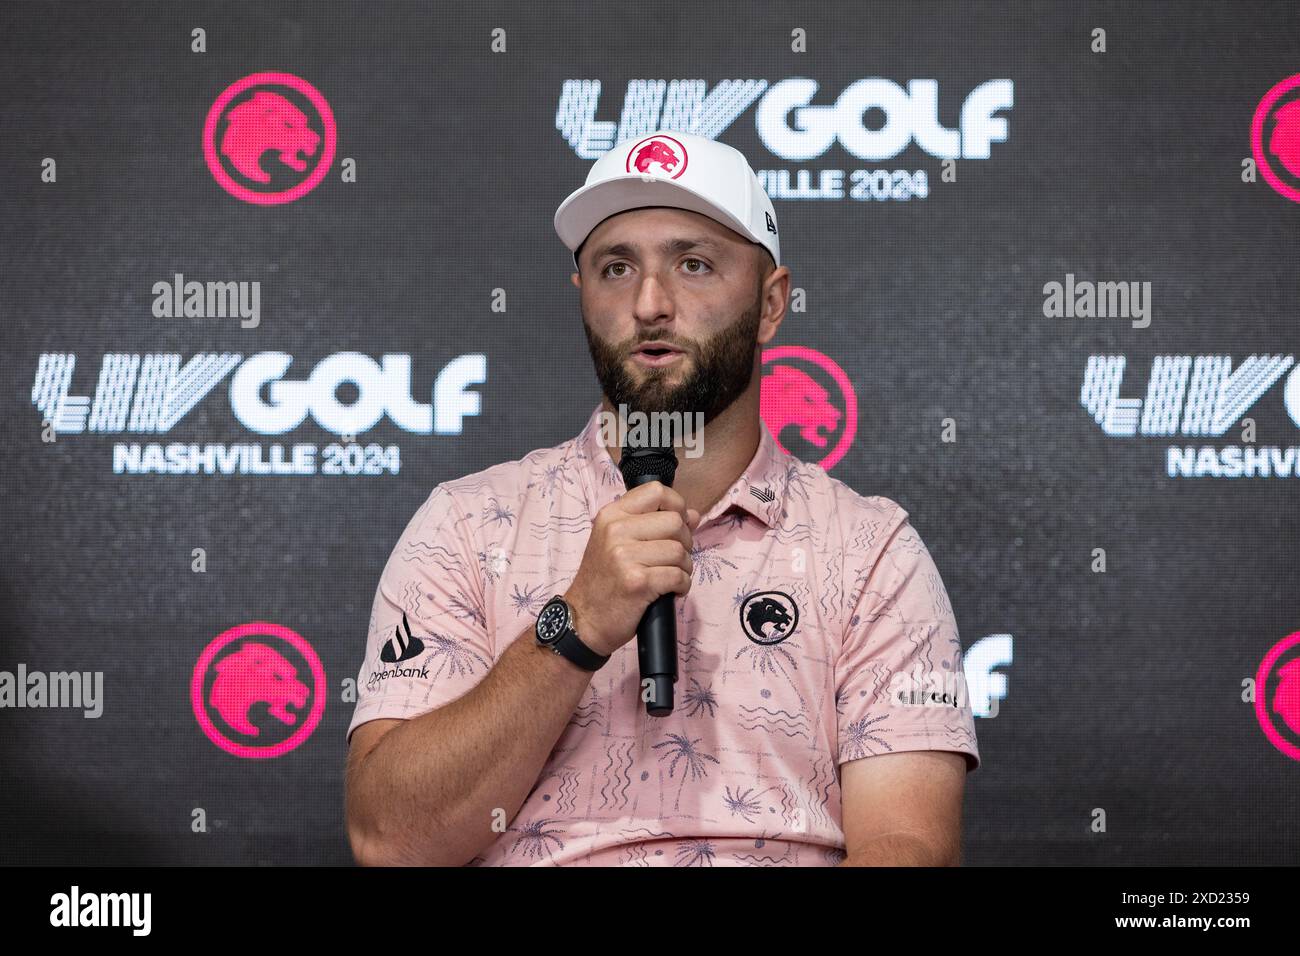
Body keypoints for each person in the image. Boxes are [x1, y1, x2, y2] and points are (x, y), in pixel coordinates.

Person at [344, 130, 980, 866]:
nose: (650, 303)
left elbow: (907, 845)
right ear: (582, 296)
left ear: (772, 304)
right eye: (616, 268)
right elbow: (389, 840)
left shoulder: (870, 549)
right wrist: (573, 626)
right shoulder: (465, 524)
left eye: (694, 264)